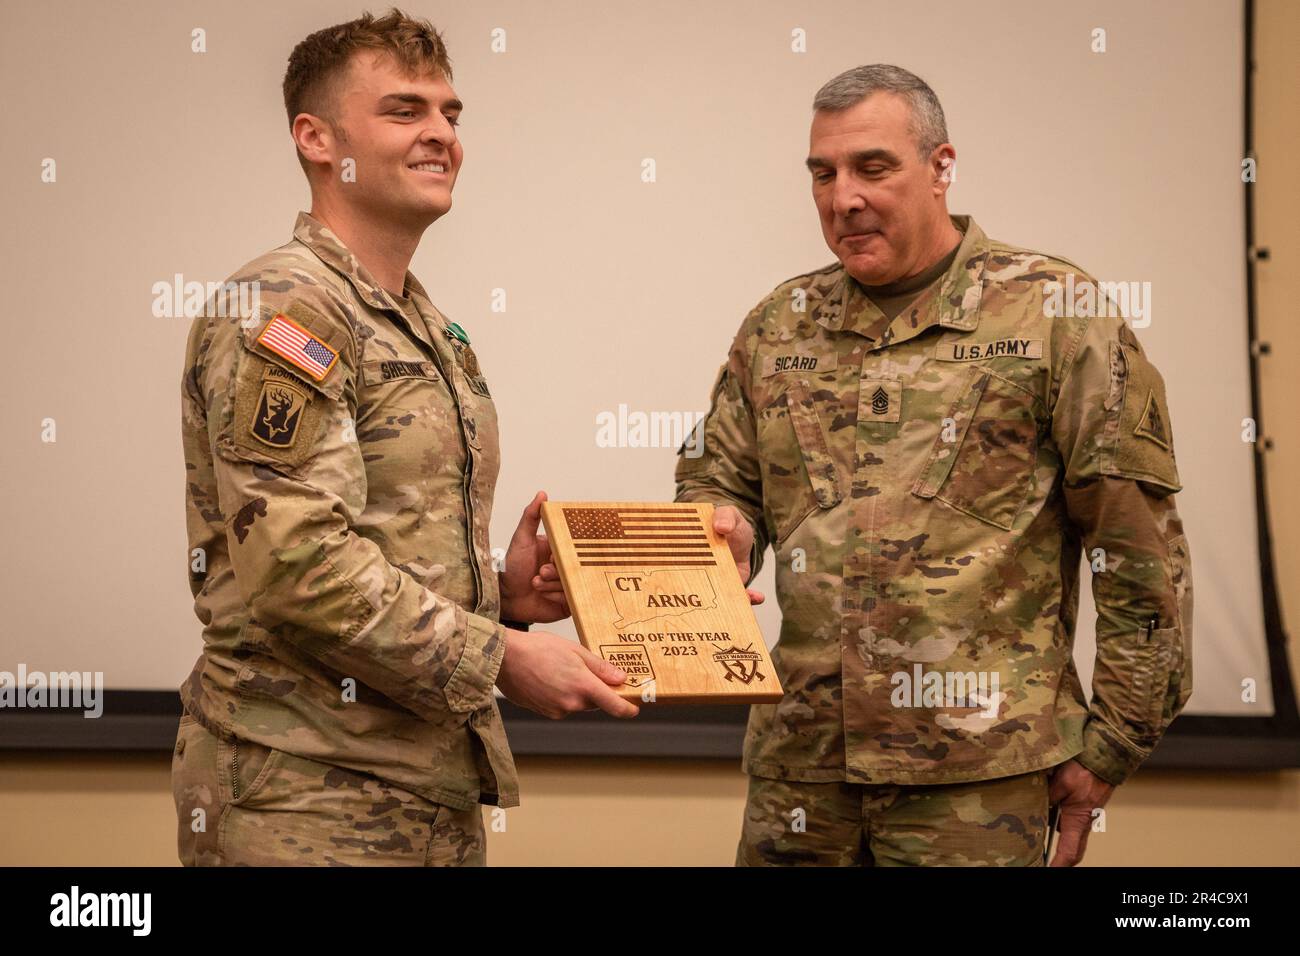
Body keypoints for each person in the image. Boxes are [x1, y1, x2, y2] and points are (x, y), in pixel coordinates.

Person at [669, 64, 1193, 866]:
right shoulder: (779, 325)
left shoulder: (1057, 313)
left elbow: (1138, 551)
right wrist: (720, 523)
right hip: (802, 774)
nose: (844, 197)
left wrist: (1114, 745)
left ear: (942, 166)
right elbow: (716, 478)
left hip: (978, 778)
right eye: (823, 173)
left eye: (872, 167)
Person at [173, 8, 636, 868]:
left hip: (424, 792)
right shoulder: (287, 308)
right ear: (316, 139)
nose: (441, 135)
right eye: (405, 111)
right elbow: (299, 565)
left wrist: (502, 589)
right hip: (305, 795)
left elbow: (380, 540)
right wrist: (504, 657)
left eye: (450, 114)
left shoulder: (425, 324)